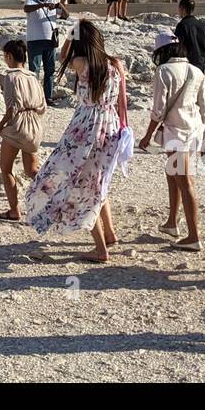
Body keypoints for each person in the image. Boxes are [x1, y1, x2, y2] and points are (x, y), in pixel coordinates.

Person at [25, 20, 131, 263]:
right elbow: (121, 101)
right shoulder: (114, 64)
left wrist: (71, 34)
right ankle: (111, 233)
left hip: (87, 126)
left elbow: (62, 55)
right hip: (111, 125)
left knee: (82, 185)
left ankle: (101, 249)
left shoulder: (82, 63)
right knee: (98, 181)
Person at [139, 31, 205, 251]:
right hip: (193, 129)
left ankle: (193, 236)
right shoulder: (197, 71)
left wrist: (147, 135)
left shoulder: (163, 71)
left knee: (185, 181)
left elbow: (158, 110)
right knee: (173, 174)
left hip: (175, 132)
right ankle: (172, 223)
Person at [0, 38, 46, 221]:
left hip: (19, 125)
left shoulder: (10, 76)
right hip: (35, 124)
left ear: (9, 56)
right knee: (32, 170)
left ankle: (14, 211)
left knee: (6, 168)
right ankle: (54, 196)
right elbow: (43, 107)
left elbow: (12, 107)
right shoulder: (33, 77)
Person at [23, 0, 68, 104]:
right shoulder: (31, 1)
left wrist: (60, 5)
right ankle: (34, 98)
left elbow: (66, 15)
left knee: (50, 70)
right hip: (34, 41)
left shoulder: (52, 2)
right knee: (34, 70)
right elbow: (26, 9)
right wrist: (42, 5)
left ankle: (48, 97)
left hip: (50, 41)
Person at [174, 0, 205, 72]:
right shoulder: (203, 26)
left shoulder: (182, 25)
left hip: (186, 68)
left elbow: (177, 48)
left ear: (183, 9)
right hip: (200, 67)